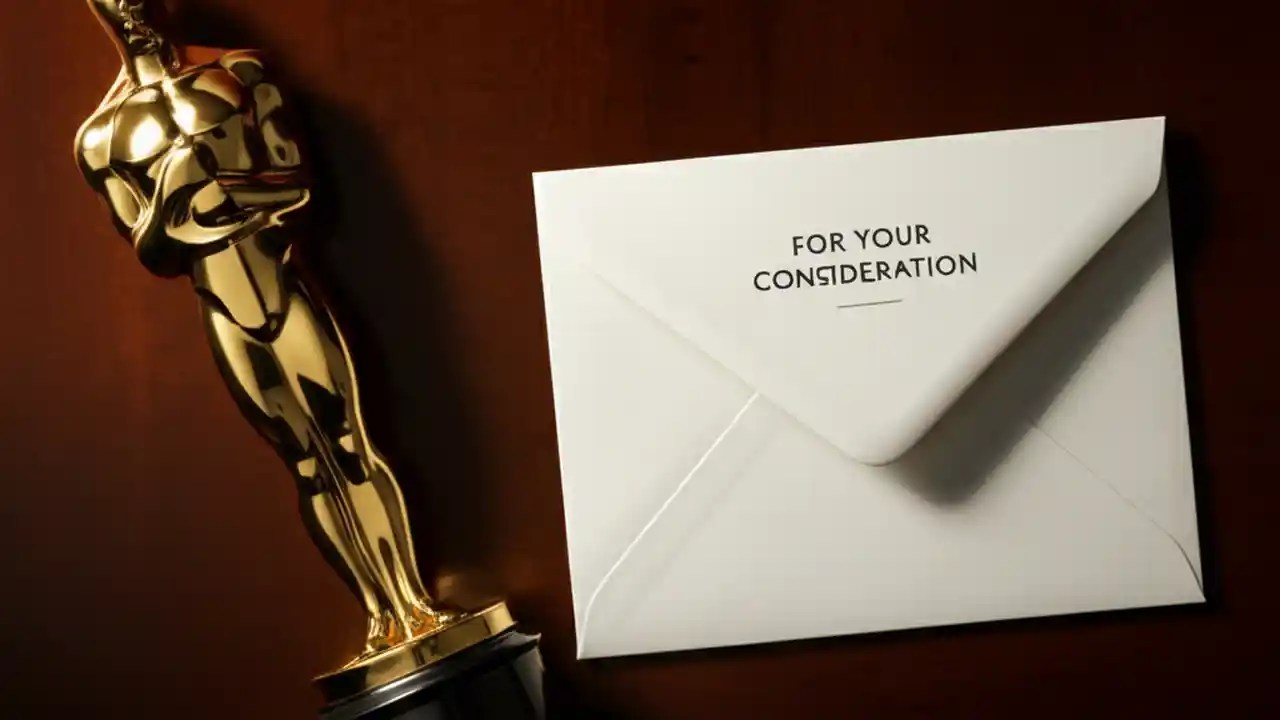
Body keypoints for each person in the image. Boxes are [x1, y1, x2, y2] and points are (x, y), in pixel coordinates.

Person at [75, 0, 437, 656]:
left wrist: (224, 200)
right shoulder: (101, 139)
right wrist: (180, 193)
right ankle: (379, 617)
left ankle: (415, 601)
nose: (128, 5)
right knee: (306, 464)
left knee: (349, 444)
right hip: (224, 310)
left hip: (281, 286)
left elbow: (294, 183)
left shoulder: (238, 75)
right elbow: (149, 248)